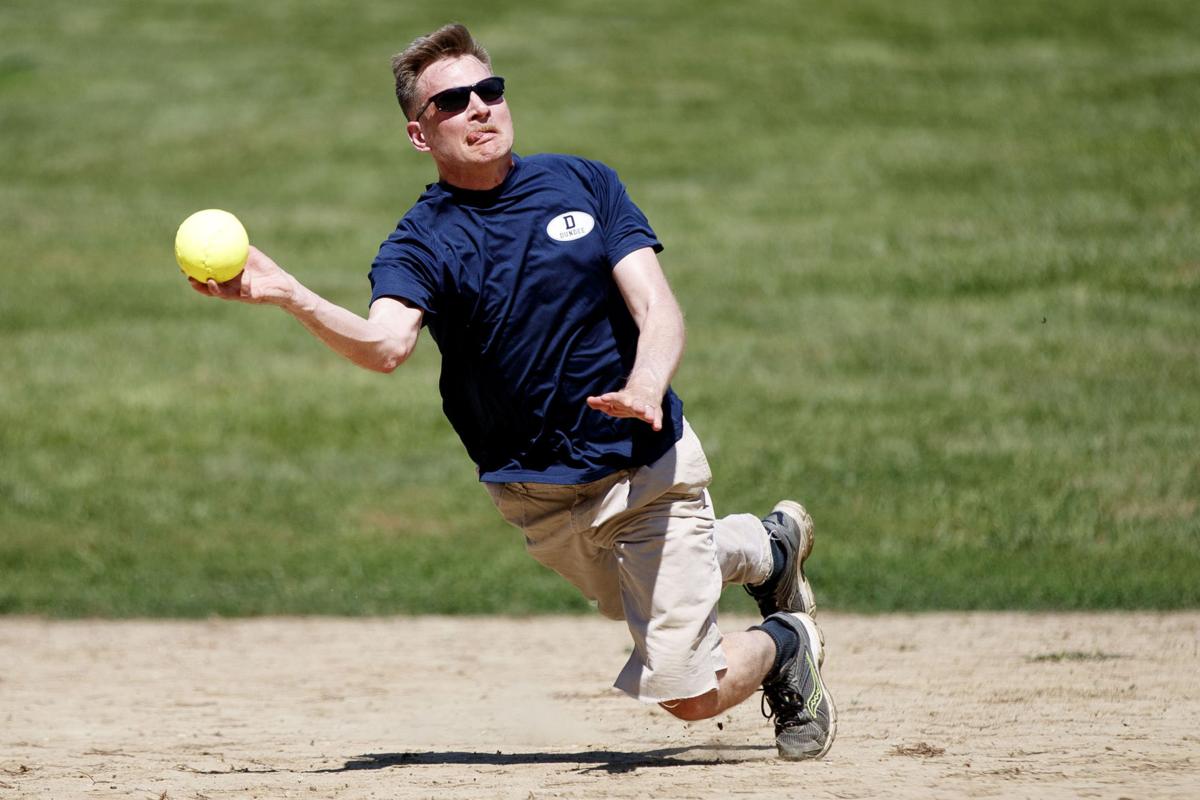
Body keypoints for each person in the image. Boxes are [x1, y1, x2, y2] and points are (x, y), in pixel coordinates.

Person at [188, 23, 835, 760]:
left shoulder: (583, 182)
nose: (479, 108)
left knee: (686, 692)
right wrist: (288, 293)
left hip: (643, 466)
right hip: (535, 495)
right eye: (452, 101)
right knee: (648, 602)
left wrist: (648, 382)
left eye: (488, 91)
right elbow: (385, 345)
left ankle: (788, 643)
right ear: (418, 133)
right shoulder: (422, 241)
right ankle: (768, 548)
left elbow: (657, 307)